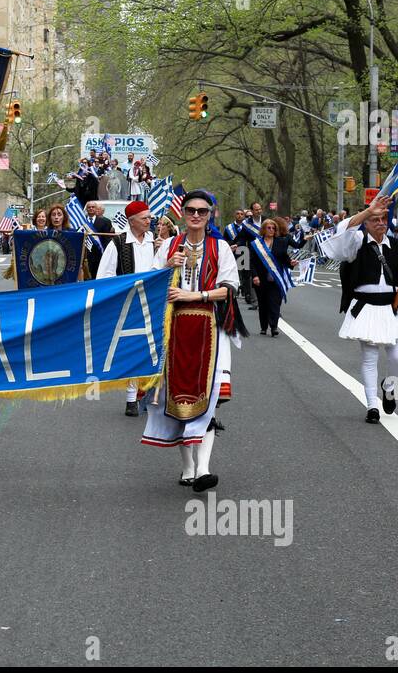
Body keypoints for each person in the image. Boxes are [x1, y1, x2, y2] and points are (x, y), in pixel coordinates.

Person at [141, 190, 245, 491]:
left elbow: (228, 289)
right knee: (176, 399)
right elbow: (148, 285)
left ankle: (203, 469)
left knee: (210, 398)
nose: (196, 215)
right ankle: (188, 468)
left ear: (210, 214)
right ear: (183, 213)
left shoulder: (220, 247)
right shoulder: (170, 246)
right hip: (173, 329)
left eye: (202, 211)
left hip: (210, 328)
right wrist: (165, 268)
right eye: (191, 210)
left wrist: (195, 295)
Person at [319, 195, 398, 424]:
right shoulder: (356, 243)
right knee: (369, 358)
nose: (380, 223)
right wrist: (368, 211)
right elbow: (343, 230)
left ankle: (390, 387)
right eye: (375, 219)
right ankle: (372, 405)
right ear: (367, 223)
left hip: (393, 308)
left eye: (383, 219)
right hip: (365, 307)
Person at [96, 200, 158, 416]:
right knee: (134, 349)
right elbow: (104, 276)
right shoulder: (118, 243)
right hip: (130, 305)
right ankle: (131, 399)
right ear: (132, 221)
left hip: (155, 303)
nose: (149, 221)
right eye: (145, 218)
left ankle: (151, 395)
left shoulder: (155, 242)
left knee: (155, 349)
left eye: (150, 217)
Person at [249, 216, 295, 336]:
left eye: (273, 228)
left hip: (276, 279)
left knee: (275, 303)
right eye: (268, 228)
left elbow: (284, 258)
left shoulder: (281, 242)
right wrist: (255, 276)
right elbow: (252, 262)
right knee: (263, 303)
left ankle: (274, 327)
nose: (271, 230)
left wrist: (291, 263)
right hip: (261, 279)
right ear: (263, 229)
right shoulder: (255, 244)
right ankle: (263, 327)